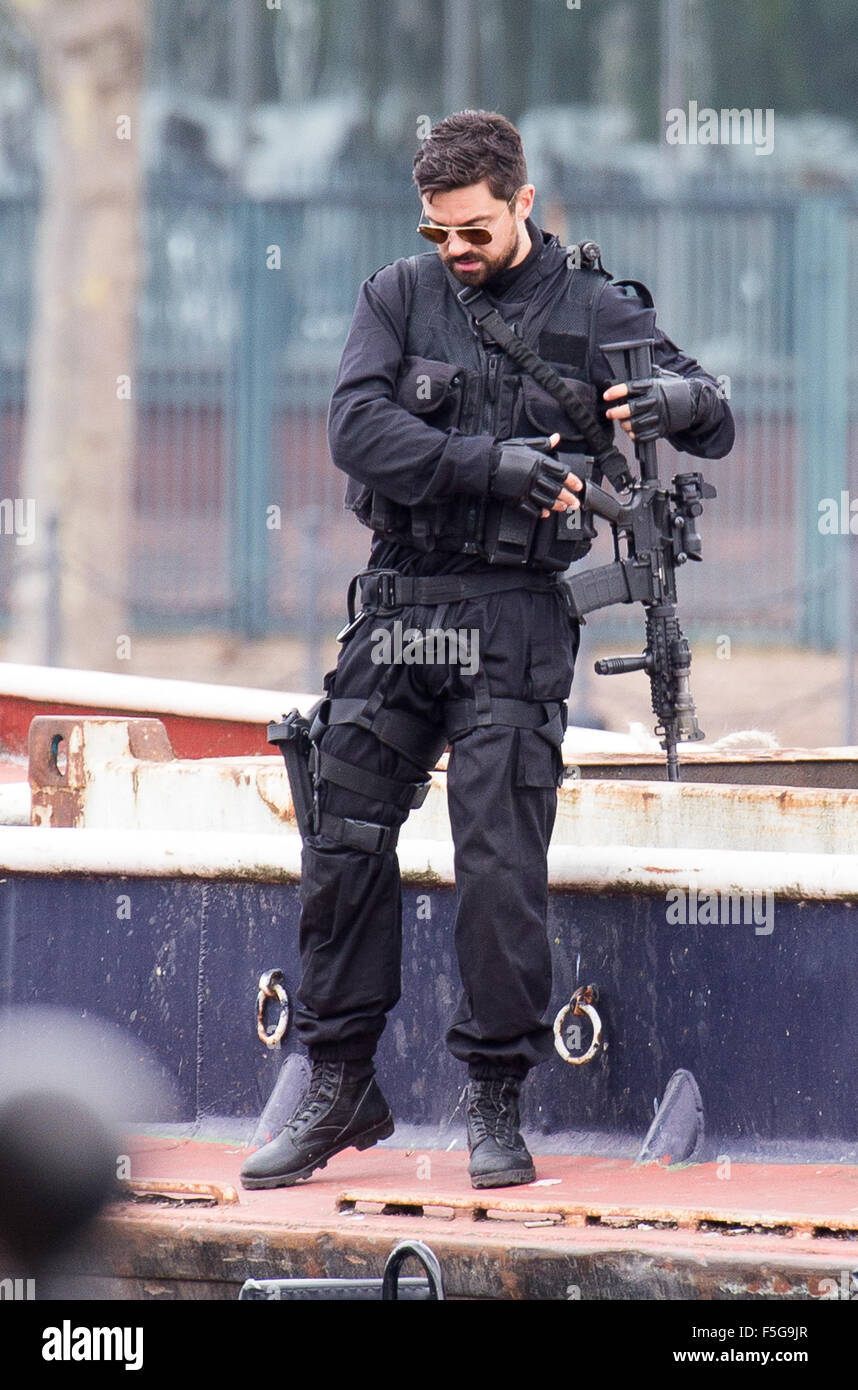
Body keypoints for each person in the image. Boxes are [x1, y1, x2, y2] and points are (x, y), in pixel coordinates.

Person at [241, 110, 734, 1192]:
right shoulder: (397, 296)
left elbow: (715, 418)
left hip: (514, 614)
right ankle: (337, 1081)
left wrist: (671, 395)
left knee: (499, 856)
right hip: (401, 603)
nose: (454, 253)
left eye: (473, 231)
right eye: (436, 233)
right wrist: (488, 465)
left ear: (522, 202)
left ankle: (494, 1096)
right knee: (344, 833)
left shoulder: (595, 307)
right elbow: (354, 430)